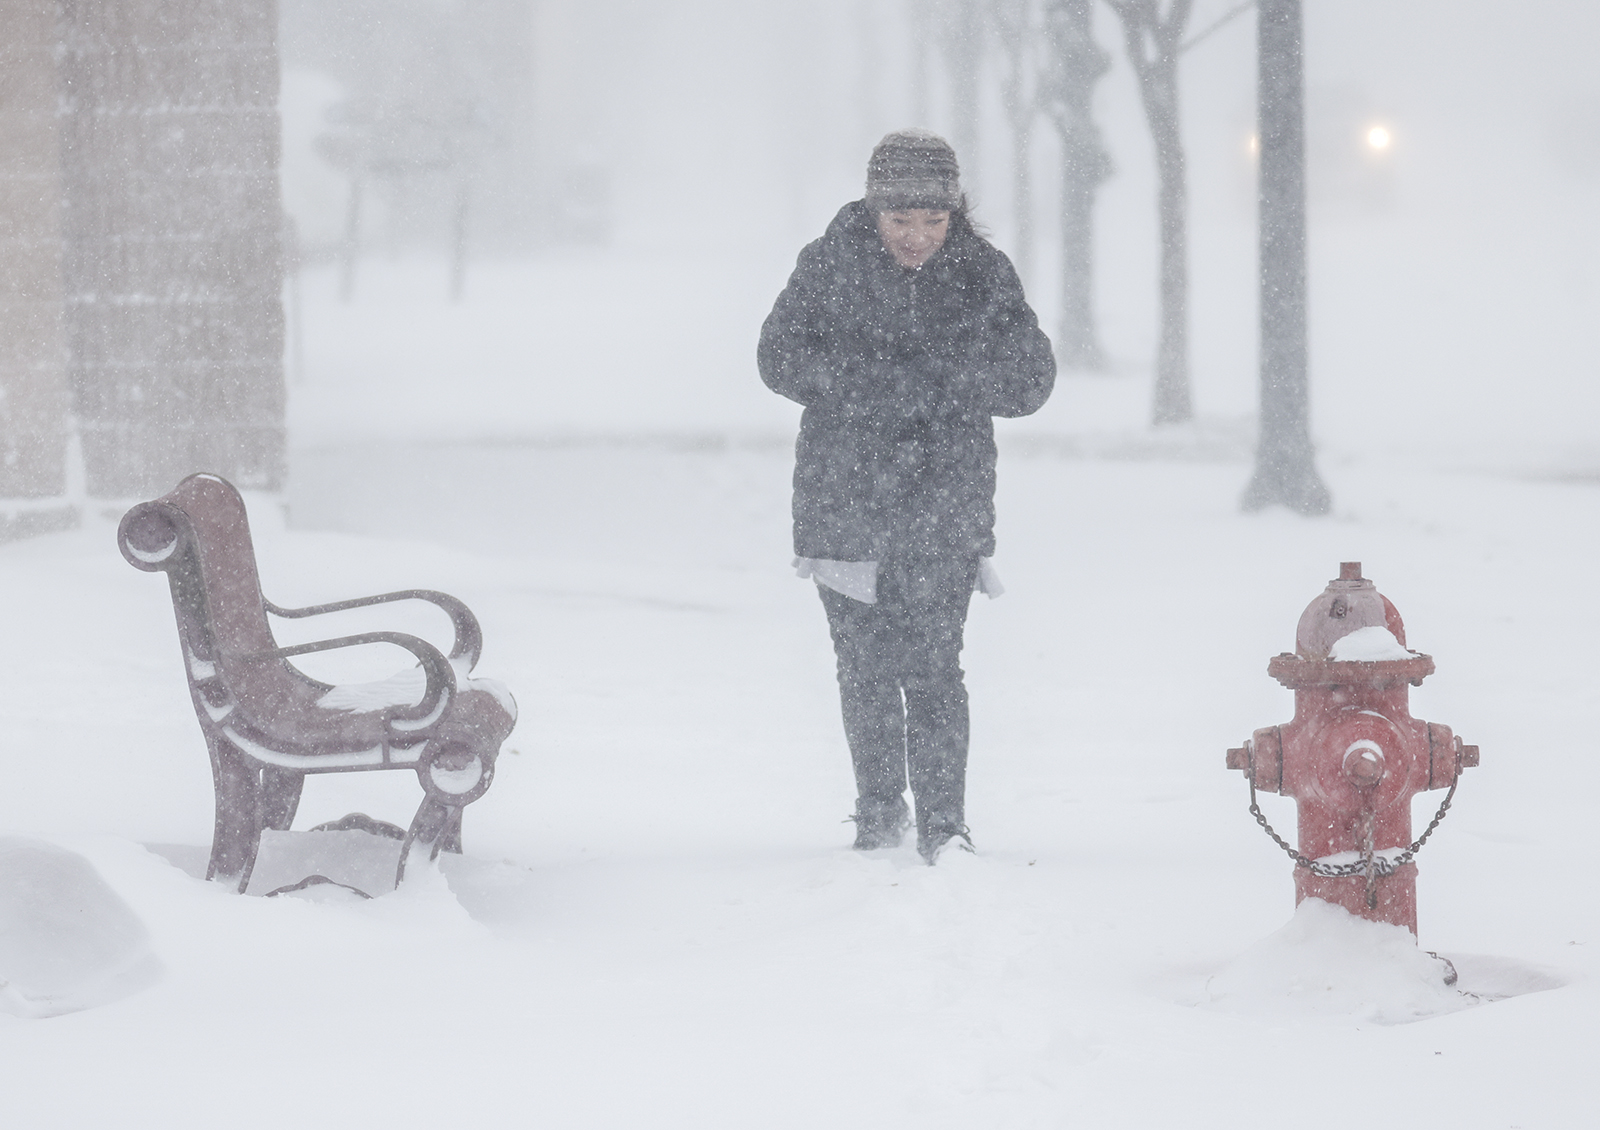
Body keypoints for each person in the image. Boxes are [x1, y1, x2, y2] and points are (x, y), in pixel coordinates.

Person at [757, 129, 1055, 864]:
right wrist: (864, 385)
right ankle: (879, 812)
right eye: (900, 222)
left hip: (943, 504)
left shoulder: (983, 275)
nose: (916, 238)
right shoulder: (829, 265)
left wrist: (950, 382)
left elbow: (1032, 379)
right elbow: (778, 357)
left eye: (932, 221)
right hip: (845, 502)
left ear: (954, 214)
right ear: (874, 208)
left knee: (934, 666)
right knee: (863, 668)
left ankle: (944, 822)